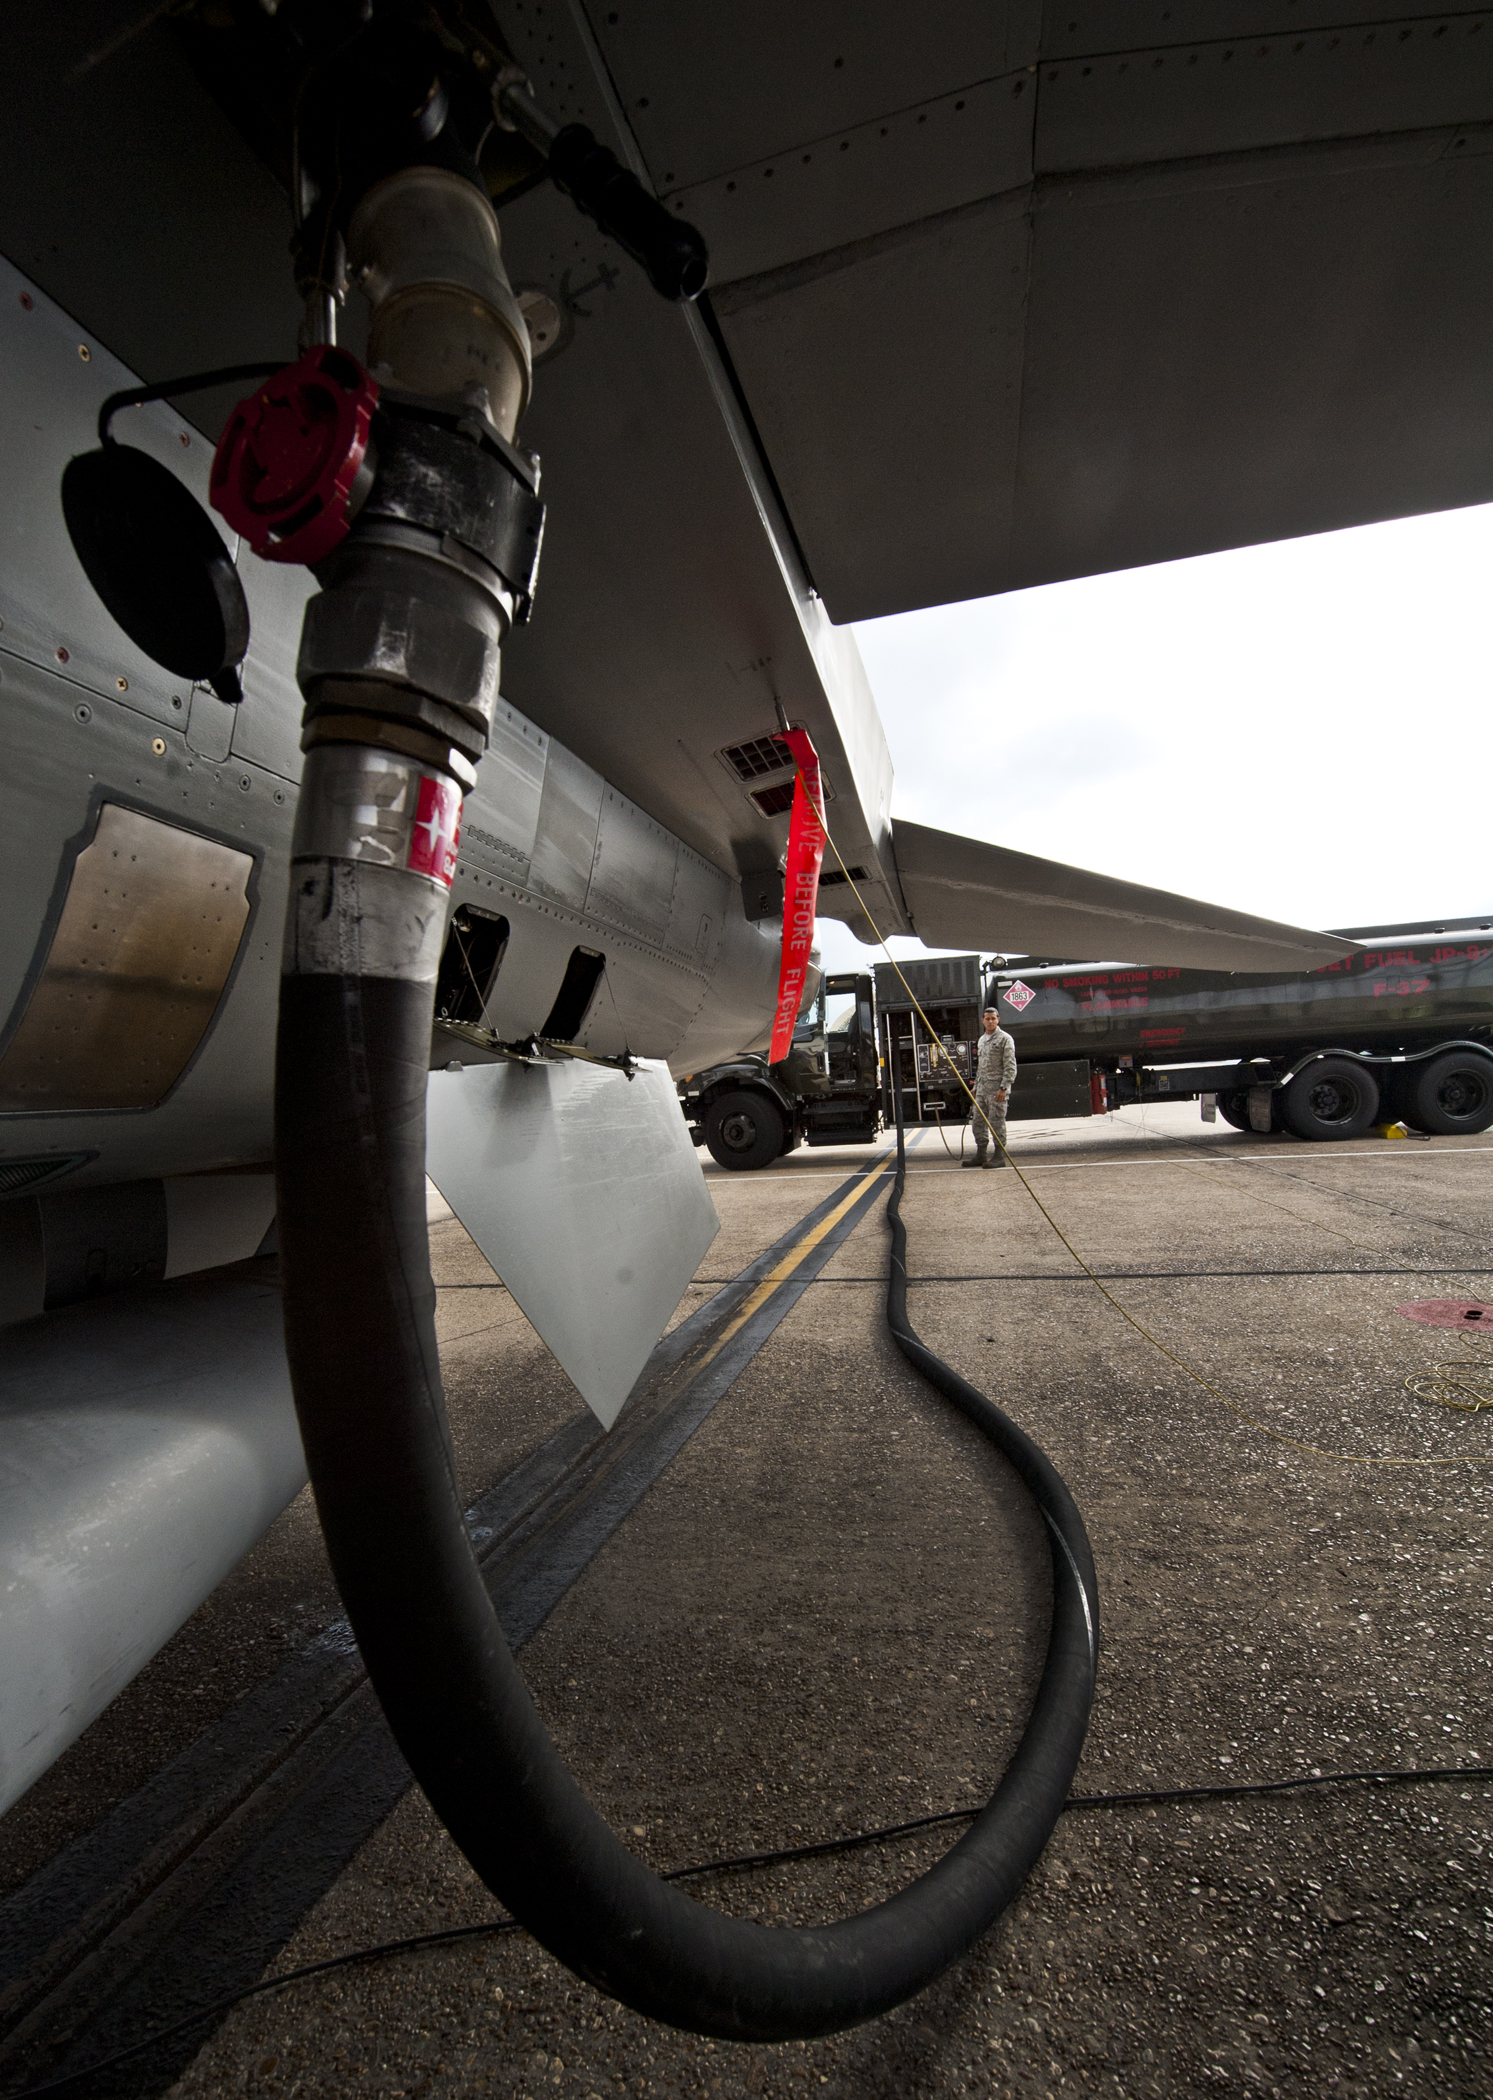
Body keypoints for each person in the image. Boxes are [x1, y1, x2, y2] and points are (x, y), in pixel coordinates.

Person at [963, 1005, 1016, 1168]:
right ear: (983, 1021)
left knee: (996, 1122)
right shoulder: (982, 1040)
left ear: (998, 1020)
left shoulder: (1005, 1039)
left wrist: (1003, 1088)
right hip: (982, 1090)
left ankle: (999, 1156)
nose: (991, 1021)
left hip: (996, 1091)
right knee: (978, 1123)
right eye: (988, 1019)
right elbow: (981, 1067)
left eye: (994, 1018)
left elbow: (1010, 1066)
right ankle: (981, 1155)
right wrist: (976, 1086)